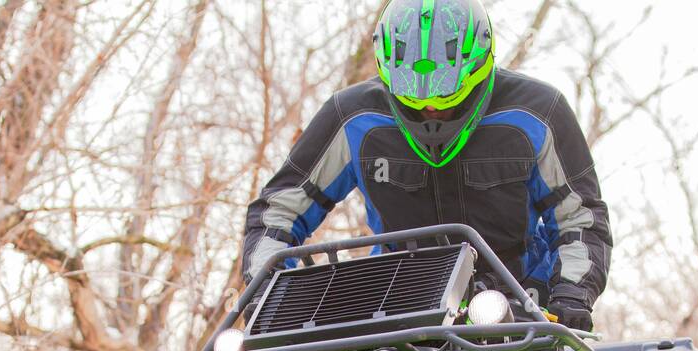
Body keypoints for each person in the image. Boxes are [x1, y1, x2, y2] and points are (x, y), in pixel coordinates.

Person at [241, 0, 612, 330]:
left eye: (444, 94)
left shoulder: (537, 112)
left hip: (519, 310)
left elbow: (579, 217)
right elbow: (280, 210)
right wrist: (268, 297)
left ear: (479, 66)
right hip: (394, 312)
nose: (429, 106)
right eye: (412, 96)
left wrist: (572, 294)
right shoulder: (353, 116)